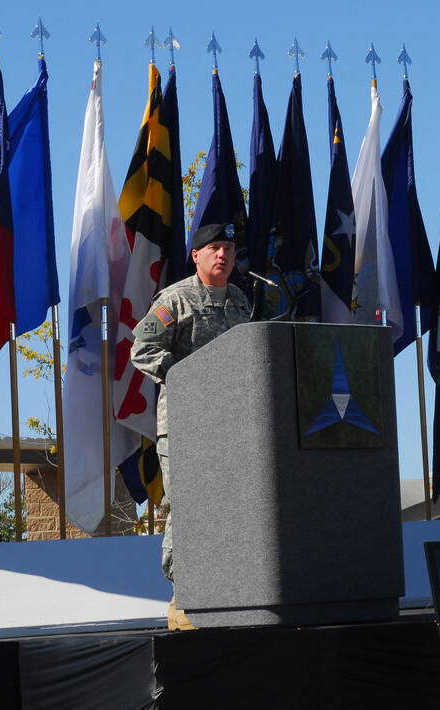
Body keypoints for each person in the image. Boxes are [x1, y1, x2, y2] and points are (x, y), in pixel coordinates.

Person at [130, 223, 251, 628]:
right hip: (185, 424)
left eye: (229, 248)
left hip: (231, 425)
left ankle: (230, 592)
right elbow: (142, 349)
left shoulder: (240, 302)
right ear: (196, 255)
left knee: (230, 506)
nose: (223, 255)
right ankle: (184, 595)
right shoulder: (175, 299)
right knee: (188, 506)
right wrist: (187, 375)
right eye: (215, 248)